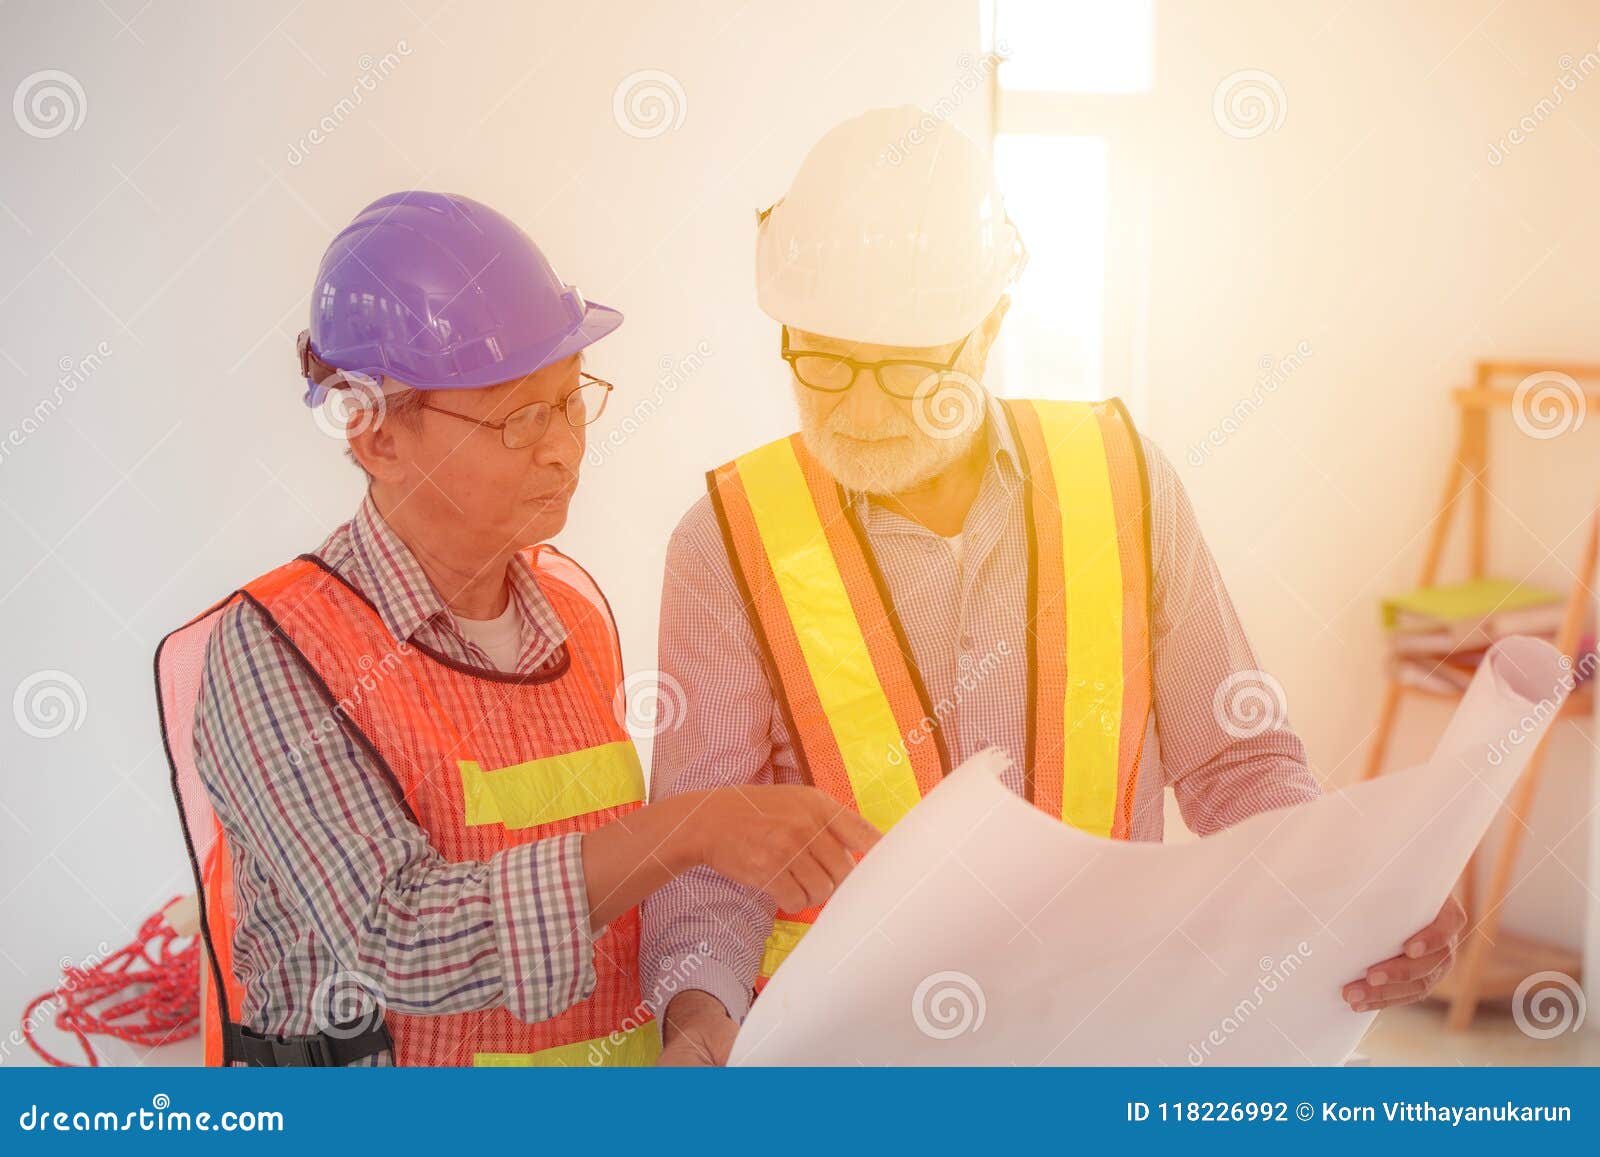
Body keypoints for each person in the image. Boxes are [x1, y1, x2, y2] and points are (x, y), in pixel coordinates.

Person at [641, 108, 1464, 1066]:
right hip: (851, 1070)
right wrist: (697, 1016)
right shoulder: (726, 543)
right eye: (822, 360)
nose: (859, 409)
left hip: (1103, 1046)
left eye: (904, 370)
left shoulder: (1121, 481)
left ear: (989, 325)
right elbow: (704, 857)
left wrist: (1355, 897)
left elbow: (1235, 762)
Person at [155, 190, 876, 1067]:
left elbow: (612, 906)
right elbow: (401, 937)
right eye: (519, 418)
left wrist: (695, 1017)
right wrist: (688, 826)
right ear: (375, 435)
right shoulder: (276, 651)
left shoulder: (570, 618)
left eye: (571, 402)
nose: (564, 447)